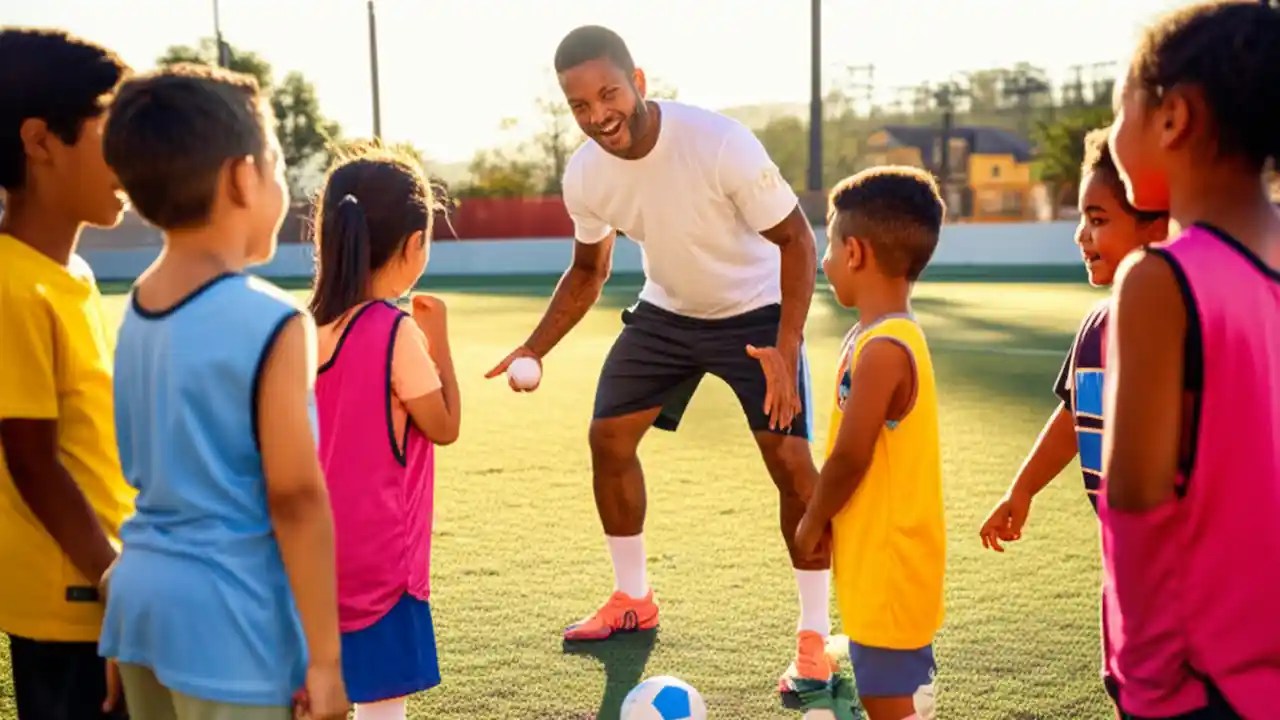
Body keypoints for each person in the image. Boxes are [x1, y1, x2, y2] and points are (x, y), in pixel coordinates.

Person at [486, 24, 833, 683]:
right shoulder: (585, 176)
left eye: (608, 94)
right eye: (579, 106)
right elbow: (588, 272)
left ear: (638, 83)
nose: (598, 116)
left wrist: (786, 350)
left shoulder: (718, 142)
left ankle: (814, 634)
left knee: (790, 462)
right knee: (608, 440)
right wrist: (534, 345)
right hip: (668, 313)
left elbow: (796, 240)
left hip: (756, 312)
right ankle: (633, 599)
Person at [98, 64, 348, 720]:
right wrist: (326, 661)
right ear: (242, 176)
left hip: (139, 607)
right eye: (275, 166)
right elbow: (295, 497)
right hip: (230, 624)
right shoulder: (272, 319)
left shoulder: (136, 304)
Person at [1101, 1, 1280, 718]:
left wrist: (1146, 685)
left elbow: (1136, 499)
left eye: (1122, 110)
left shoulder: (1158, 279)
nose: (1114, 134)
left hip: (1198, 686)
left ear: (1174, 118)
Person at [0, 28, 134, 720]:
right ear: (40, 139)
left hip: (107, 589)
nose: (133, 158)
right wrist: (112, 577)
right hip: (73, 604)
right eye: (113, 133)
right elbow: (31, 458)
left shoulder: (72, 275)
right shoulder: (10, 283)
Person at [308, 145, 459, 720]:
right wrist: (437, 337)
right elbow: (443, 426)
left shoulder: (308, 325)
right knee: (380, 708)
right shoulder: (393, 331)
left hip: (310, 554)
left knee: (323, 697)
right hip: (380, 562)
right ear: (414, 244)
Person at [794, 167, 946, 720]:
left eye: (829, 242)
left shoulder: (884, 348)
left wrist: (813, 519)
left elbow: (851, 455)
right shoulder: (874, 335)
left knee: (888, 703)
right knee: (883, 688)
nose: (824, 259)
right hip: (877, 561)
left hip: (891, 565)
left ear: (855, 252)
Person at [979, 128, 1168, 545]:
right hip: (1122, 546)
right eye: (1082, 218)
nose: (1080, 235)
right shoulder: (1095, 328)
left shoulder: (1180, 329)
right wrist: (1022, 488)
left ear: (1156, 228)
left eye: (1098, 220)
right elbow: (1073, 417)